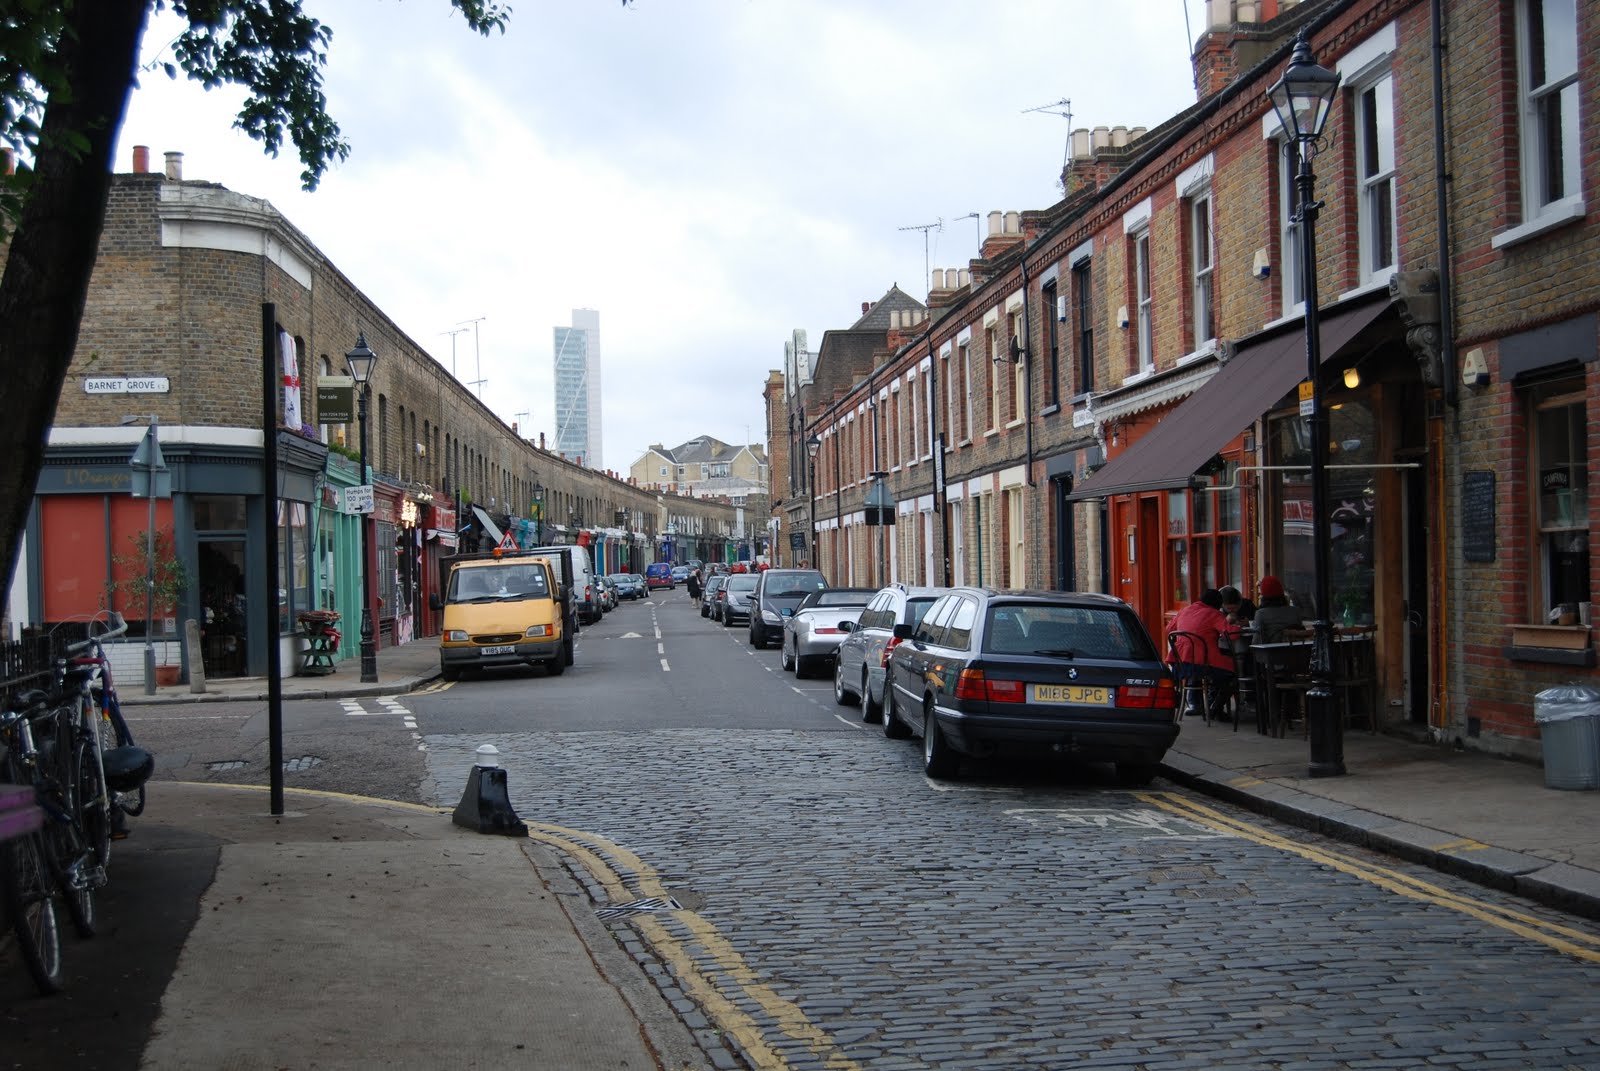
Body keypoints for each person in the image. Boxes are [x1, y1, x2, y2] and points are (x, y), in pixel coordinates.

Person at [1170, 588, 1238, 719]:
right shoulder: (1213, 613)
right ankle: (1214, 707)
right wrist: (1236, 624)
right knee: (1231, 673)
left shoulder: (1184, 610)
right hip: (1203, 663)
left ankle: (1196, 704)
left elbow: (1169, 629)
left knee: (1199, 669)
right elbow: (1232, 635)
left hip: (1180, 663)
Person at [1252, 575, 1303, 644]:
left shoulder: (1260, 614)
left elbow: (1256, 641)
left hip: (1273, 652)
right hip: (1297, 652)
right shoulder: (1296, 611)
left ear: (1263, 595)